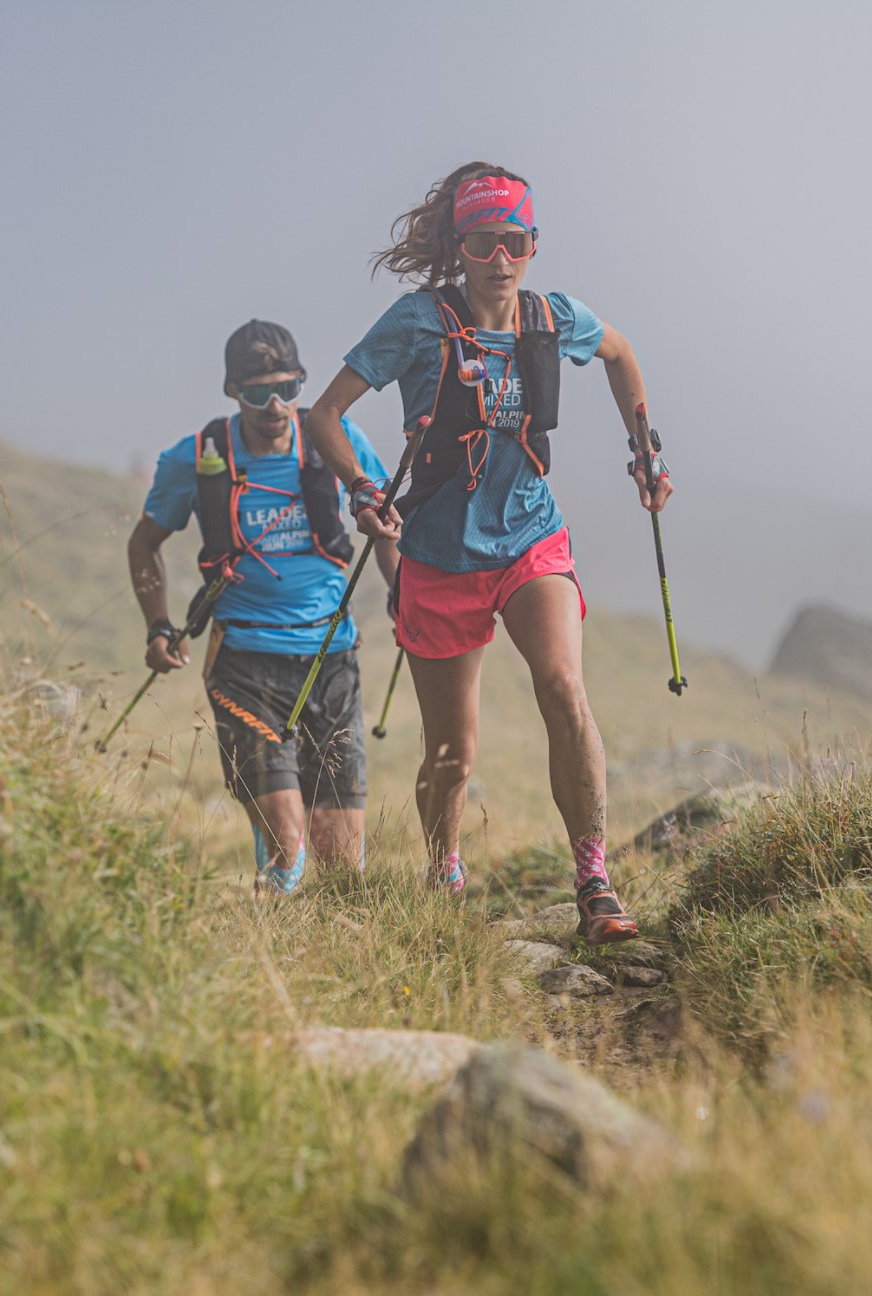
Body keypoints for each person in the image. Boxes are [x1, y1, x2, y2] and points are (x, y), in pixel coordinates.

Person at [304, 163, 672, 944]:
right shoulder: (416, 323)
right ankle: (444, 866)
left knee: (565, 689)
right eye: (482, 242)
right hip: (438, 557)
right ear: (459, 247)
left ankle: (594, 879)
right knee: (451, 757)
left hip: (531, 538)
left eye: (514, 240)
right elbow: (325, 417)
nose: (500, 259)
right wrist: (364, 491)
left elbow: (620, 352)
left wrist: (645, 450)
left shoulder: (550, 316)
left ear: (533, 244)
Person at [127, 320, 396, 894]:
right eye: (257, 393)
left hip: (331, 657)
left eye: (288, 388)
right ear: (232, 391)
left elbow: (389, 530)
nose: (275, 405)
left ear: (302, 382)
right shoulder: (197, 457)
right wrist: (158, 626)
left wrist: (406, 599)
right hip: (243, 663)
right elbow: (143, 543)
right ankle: (269, 941)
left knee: (341, 865)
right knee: (290, 850)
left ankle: (326, 964)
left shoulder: (338, 440)